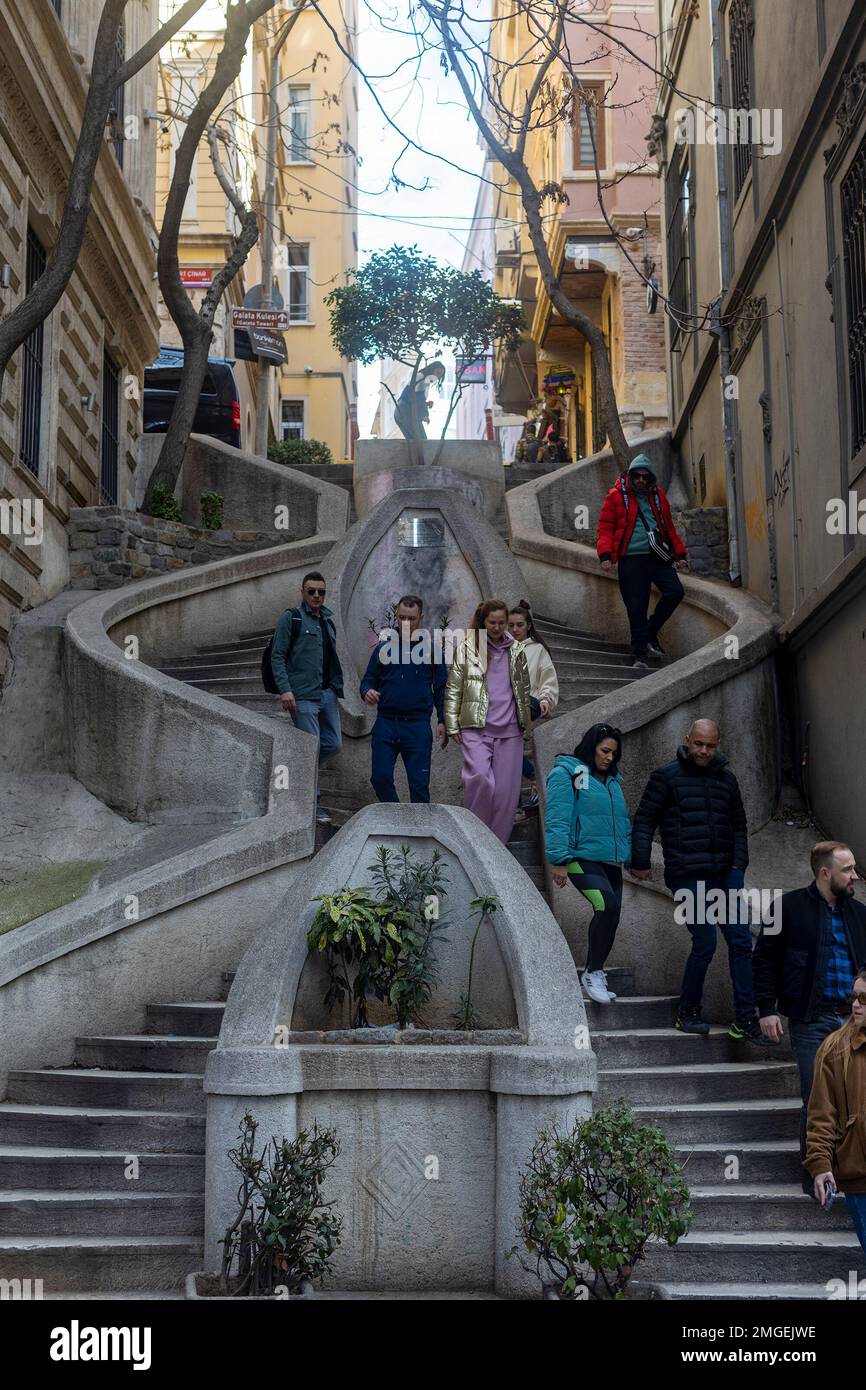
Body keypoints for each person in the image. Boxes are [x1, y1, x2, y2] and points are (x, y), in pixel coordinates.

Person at [629, 718, 772, 1043]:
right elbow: (645, 820)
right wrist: (639, 860)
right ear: (687, 740)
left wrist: (738, 868)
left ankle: (745, 1020)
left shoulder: (727, 780)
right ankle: (687, 1012)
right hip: (687, 875)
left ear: (717, 745)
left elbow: (739, 827)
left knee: (741, 942)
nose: (704, 751)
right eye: (698, 744)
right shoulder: (666, 776)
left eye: (710, 745)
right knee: (705, 941)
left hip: (725, 874)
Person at [754, 842, 866, 1189]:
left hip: (855, 1020)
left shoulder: (860, 914)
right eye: (848, 870)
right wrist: (767, 1010)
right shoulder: (786, 908)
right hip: (811, 1021)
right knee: (816, 1097)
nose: (855, 876)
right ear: (825, 872)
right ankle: (815, 1178)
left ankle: (850, 1174)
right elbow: (764, 961)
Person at [545, 723, 632, 1004]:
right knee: (606, 905)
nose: (609, 758)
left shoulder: (613, 781)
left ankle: (597, 971)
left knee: (613, 913)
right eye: (605, 751)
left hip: (609, 861)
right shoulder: (568, 773)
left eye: (614, 754)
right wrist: (559, 859)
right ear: (590, 747)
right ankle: (591, 972)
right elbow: (557, 817)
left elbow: (622, 821)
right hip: (580, 858)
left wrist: (629, 856)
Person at [444, 598, 531, 843]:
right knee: (480, 778)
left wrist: (526, 720)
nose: (497, 627)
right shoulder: (468, 648)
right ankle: (475, 839)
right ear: (483, 622)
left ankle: (497, 846)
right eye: (492, 622)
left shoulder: (516, 649)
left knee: (506, 795)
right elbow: (453, 688)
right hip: (476, 727)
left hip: (511, 730)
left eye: (502, 622)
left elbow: (523, 686)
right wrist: (451, 724)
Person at [597, 453, 688, 667]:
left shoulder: (658, 497)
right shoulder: (616, 496)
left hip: (658, 557)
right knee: (636, 606)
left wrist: (680, 554)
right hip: (631, 559)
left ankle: (650, 631)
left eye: (644, 477)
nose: (640, 480)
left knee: (676, 591)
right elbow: (605, 527)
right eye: (636, 476)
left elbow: (669, 528)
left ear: (650, 478)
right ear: (630, 476)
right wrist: (605, 555)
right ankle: (640, 653)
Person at [270, 572, 343, 825]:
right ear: (302, 591)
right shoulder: (291, 619)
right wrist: (285, 689)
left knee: (333, 744)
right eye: (311, 591)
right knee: (312, 747)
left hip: (327, 694)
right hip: (302, 696)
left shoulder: (328, 622)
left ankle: (297, 764)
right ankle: (314, 803)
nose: (316, 596)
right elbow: (277, 656)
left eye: (321, 592)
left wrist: (335, 688)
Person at [360, 594, 448, 803]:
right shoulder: (383, 648)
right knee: (380, 779)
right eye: (402, 618)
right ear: (396, 617)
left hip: (417, 726)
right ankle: (397, 819)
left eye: (411, 618)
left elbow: (442, 688)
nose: (406, 623)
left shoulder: (432, 650)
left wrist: (443, 720)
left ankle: (420, 831)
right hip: (386, 723)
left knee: (419, 786)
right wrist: (367, 692)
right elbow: (367, 681)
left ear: (421, 618)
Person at [806, 967, 866, 1254]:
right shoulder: (834, 1049)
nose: (856, 1004)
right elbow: (821, 1115)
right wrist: (820, 1165)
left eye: (864, 998)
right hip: (859, 1175)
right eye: (854, 996)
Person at [507, 600, 558, 814]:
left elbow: (548, 678)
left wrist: (546, 699)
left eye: (520, 625)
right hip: (504, 706)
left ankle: (520, 798)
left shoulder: (538, 650)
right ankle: (531, 781)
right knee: (507, 750)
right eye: (511, 625)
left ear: (528, 625)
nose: (515, 629)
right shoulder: (502, 648)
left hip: (527, 704)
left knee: (506, 747)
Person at [394, 361, 446, 441]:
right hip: (405, 410)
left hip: (404, 411)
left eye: (440, 375)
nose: (438, 377)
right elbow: (417, 397)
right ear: (432, 370)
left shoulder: (424, 380)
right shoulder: (420, 377)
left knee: (414, 441)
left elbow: (415, 398)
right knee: (422, 440)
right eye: (438, 373)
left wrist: (425, 404)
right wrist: (425, 414)